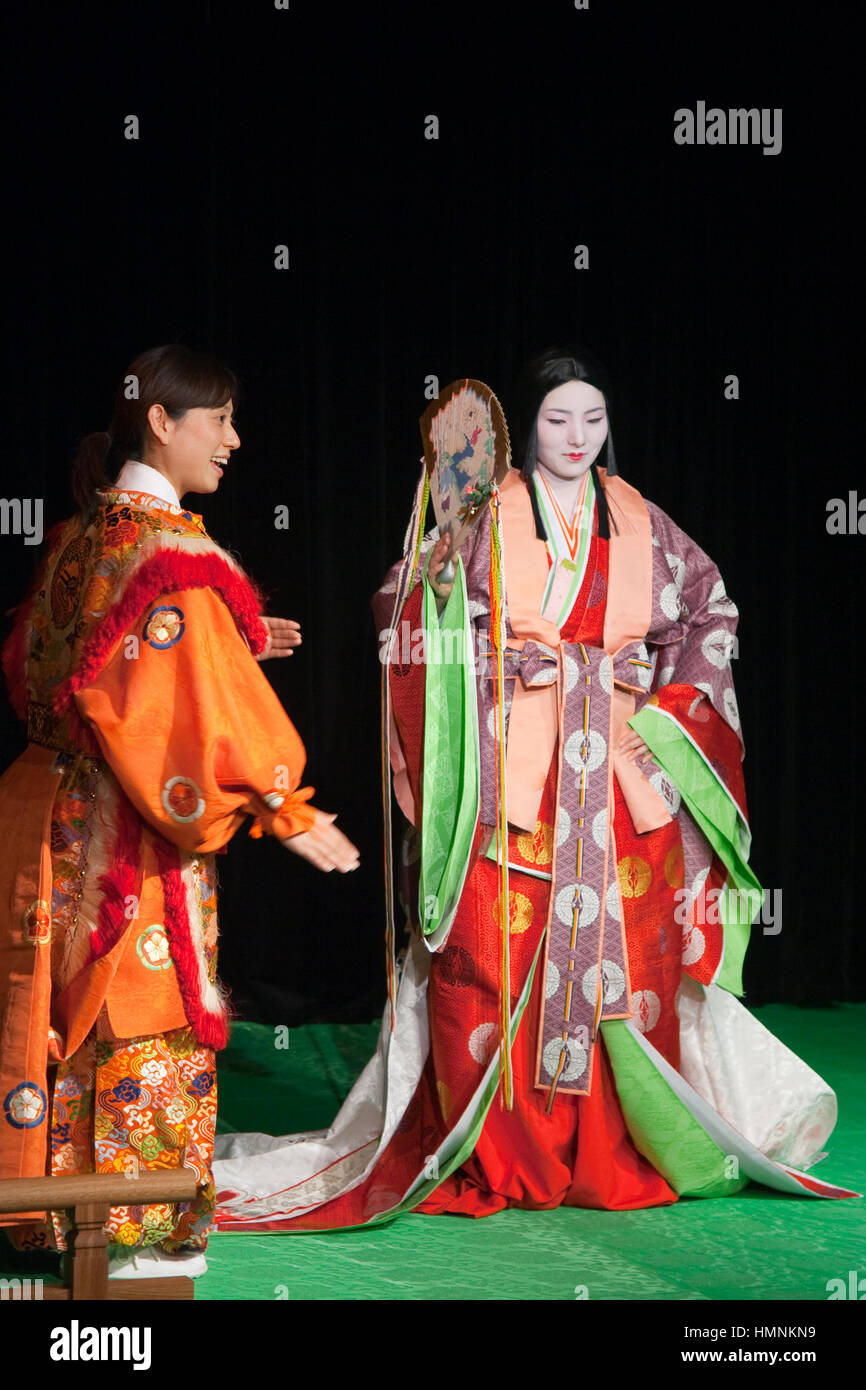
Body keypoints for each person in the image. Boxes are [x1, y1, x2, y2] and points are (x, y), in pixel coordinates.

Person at [210, 346, 857, 1233]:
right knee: (489, 952)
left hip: (621, 768)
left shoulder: (639, 519)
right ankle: (495, 1142)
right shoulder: (484, 513)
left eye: (594, 419)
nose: (578, 437)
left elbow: (711, 612)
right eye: (558, 419)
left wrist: (666, 707)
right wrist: (482, 663)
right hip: (512, 772)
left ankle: (619, 1136)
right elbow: (405, 601)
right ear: (526, 426)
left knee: (629, 964)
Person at [0, 344, 359, 1278]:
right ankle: (134, 1237)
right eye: (220, 420)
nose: (234, 440)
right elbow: (170, 718)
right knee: (144, 1009)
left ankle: (47, 1212)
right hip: (129, 835)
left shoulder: (81, 537)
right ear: (161, 421)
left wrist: (224, 645)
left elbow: (80, 672)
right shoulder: (172, 552)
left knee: (53, 1013)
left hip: (46, 821)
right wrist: (281, 802)